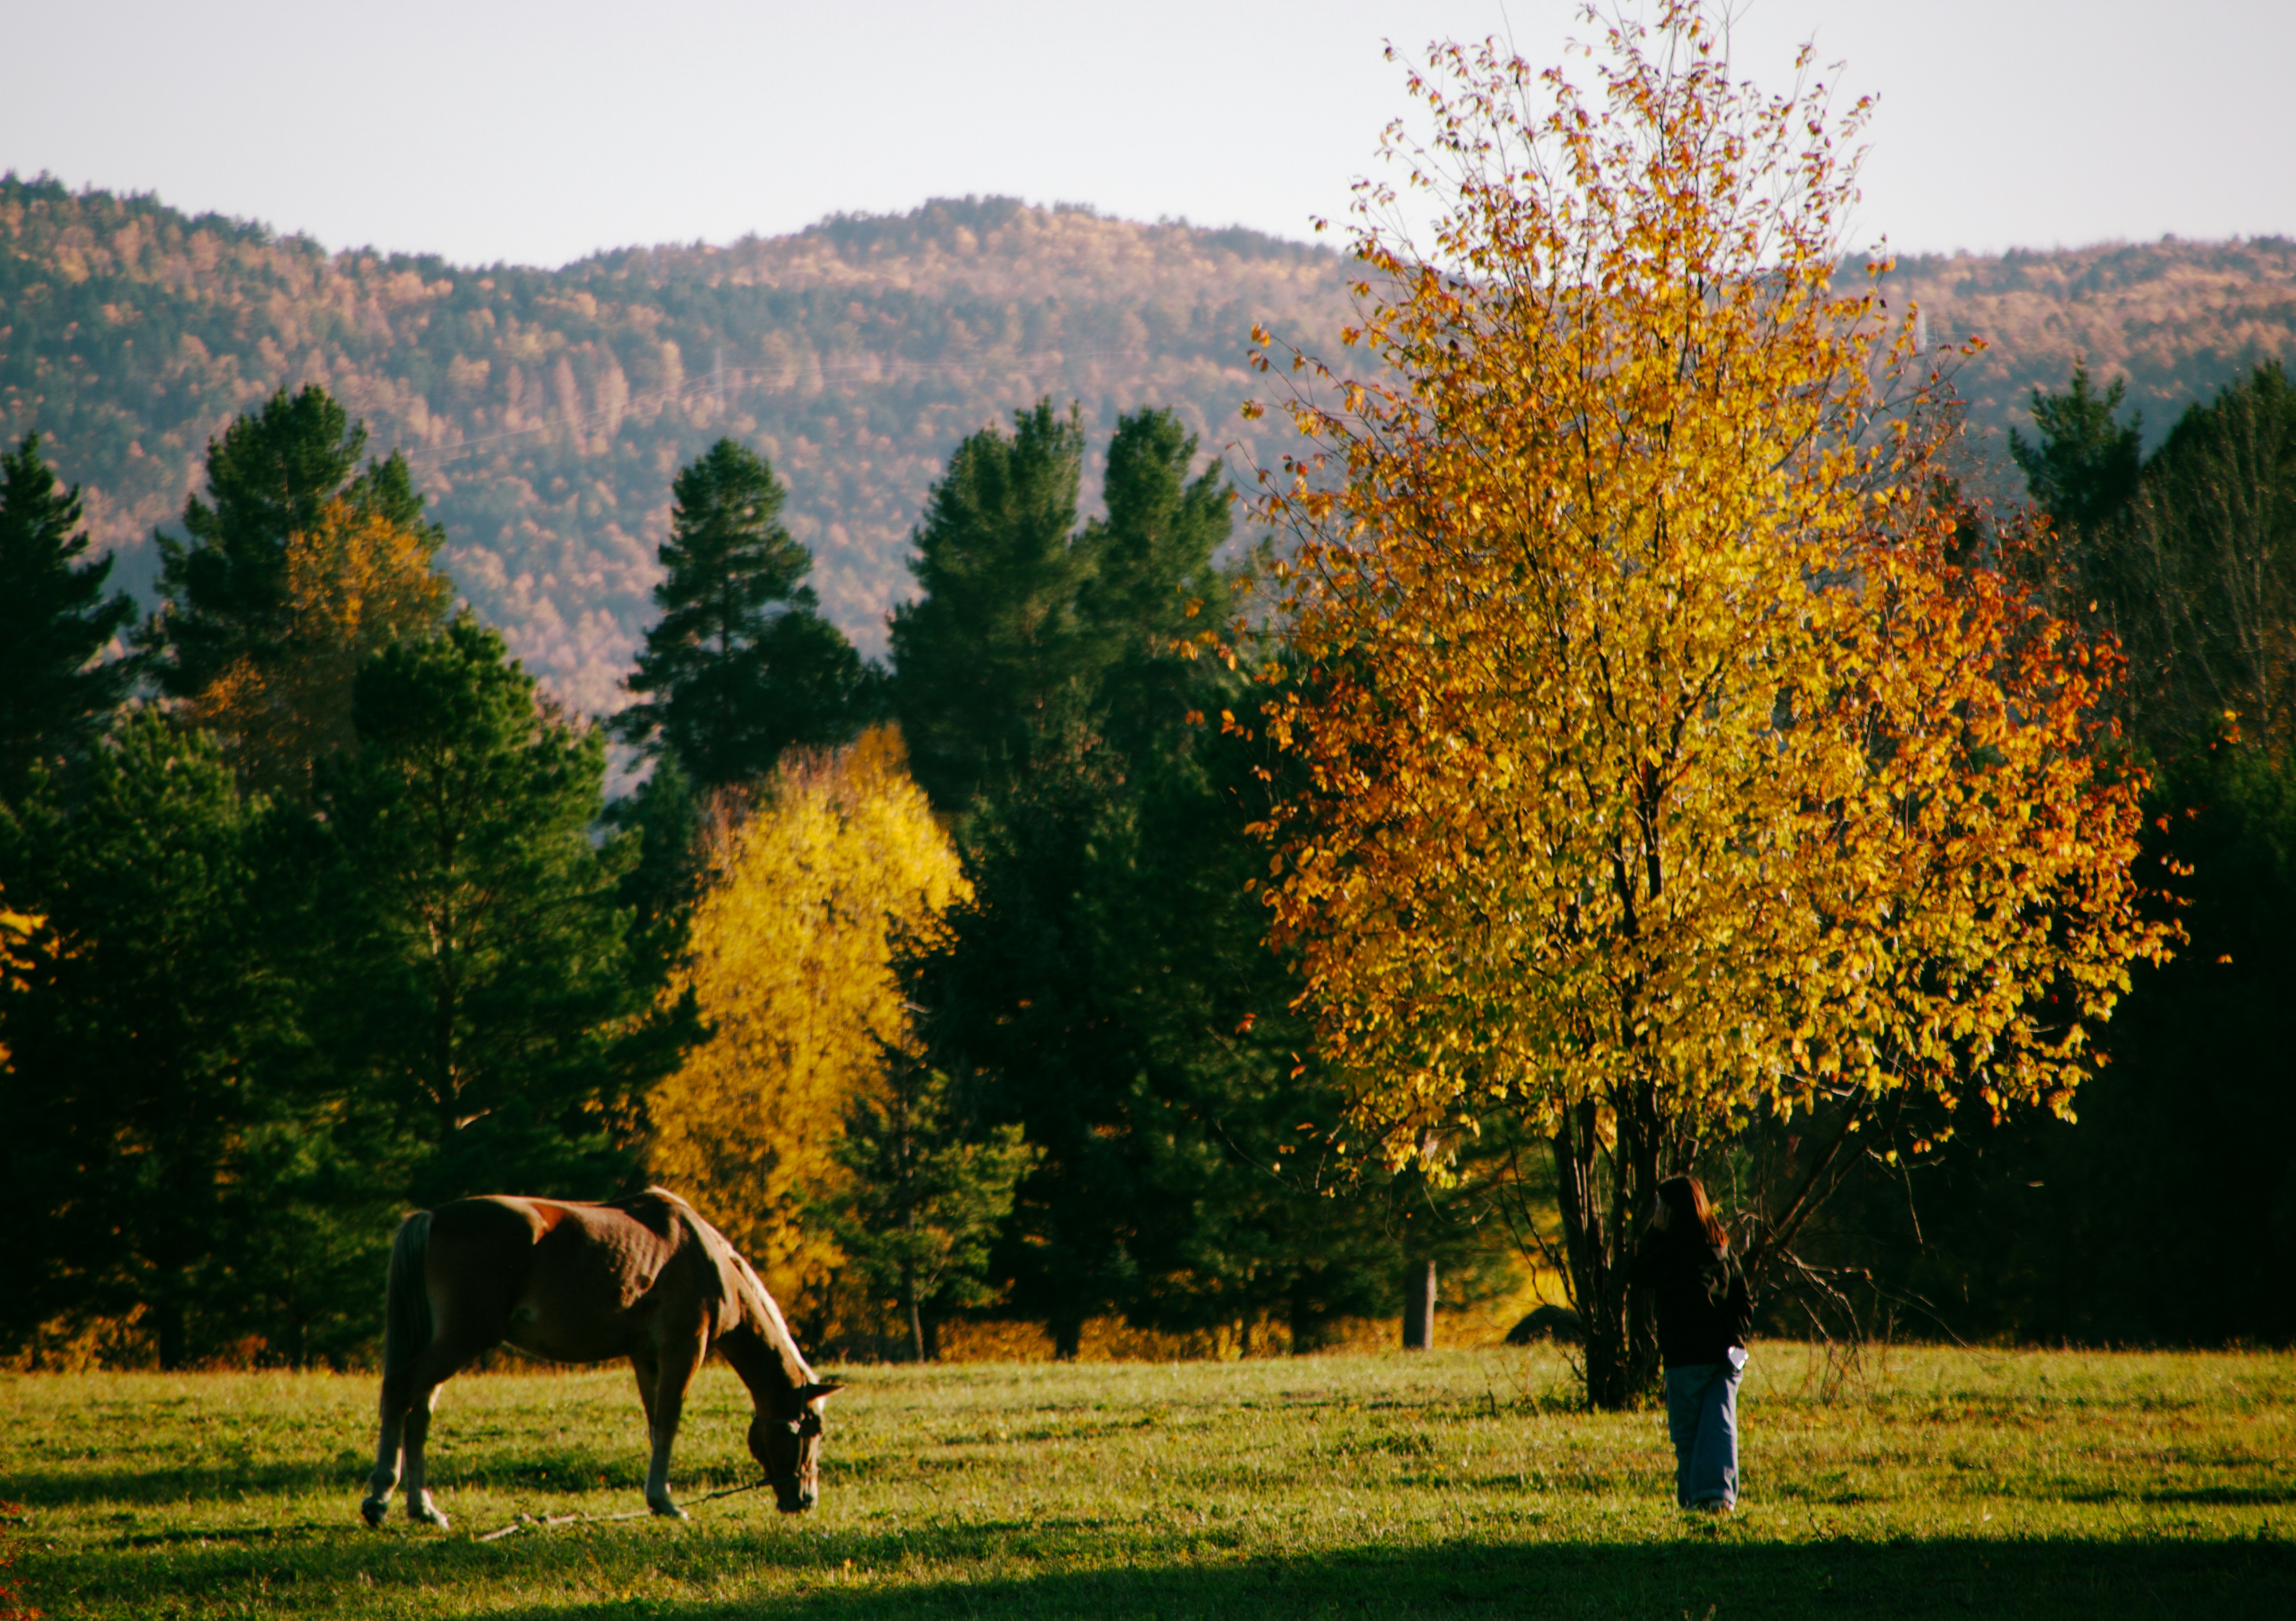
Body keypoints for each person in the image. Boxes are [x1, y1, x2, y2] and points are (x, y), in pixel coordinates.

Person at [1631, 1174, 1752, 1512]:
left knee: (1688, 1435)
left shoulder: (1672, 1251)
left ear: (1671, 1210)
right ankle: (1717, 1496)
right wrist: (1737, 1341)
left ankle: (1698, 1502)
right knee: (1720, 1425)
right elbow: (1743, 1299)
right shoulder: (1721, 1248)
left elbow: (1639, 1272)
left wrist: (1654, 1232)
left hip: (1685, 1356)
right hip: (1727, 1354)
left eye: (1660, 1206)